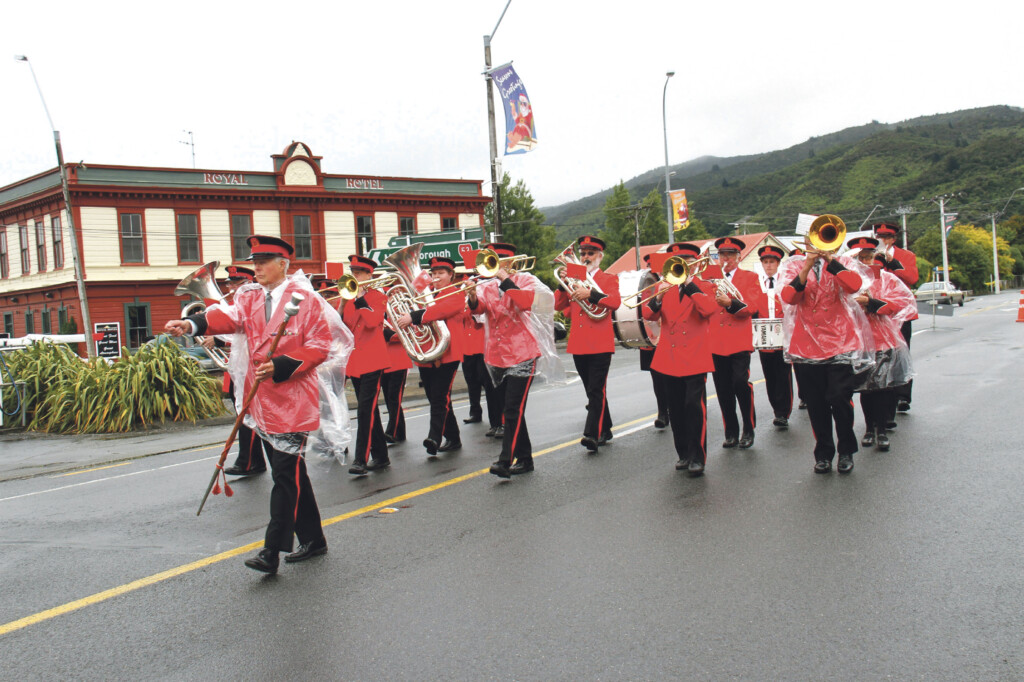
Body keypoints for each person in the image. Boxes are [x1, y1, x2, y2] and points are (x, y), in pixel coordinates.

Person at [165, 235, 346, 574]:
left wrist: (282, 364)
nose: (257, 268)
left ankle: (271, 551)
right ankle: (314, 539)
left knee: (283, 475)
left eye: (264, 262)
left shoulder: (305, 300)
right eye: (255, 262)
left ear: (284, 265)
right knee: (291, 473)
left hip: (293, 401)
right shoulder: (248, 297)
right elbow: (226, 318)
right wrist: (190, 325)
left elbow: (321, 346)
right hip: (260, 400)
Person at [780, 236, 870, 474]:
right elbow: (789, 297)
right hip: (806, 345)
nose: (817, 245)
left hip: (840, 341)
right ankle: (823, 454)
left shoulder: (843, 262)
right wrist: (807, 265)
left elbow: (854, 286)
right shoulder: (793, 264)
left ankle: (846, 451)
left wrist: (831, 260)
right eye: (812, 240)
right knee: (816, 404)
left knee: (839, 399)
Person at [466, 243, 543, 479]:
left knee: (512, 409)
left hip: (523, 353)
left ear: (510, 262)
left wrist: (504, 279)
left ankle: (505, 460)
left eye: (500, 261)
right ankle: (526, 459)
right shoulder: (487, 286)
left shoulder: (526, 280)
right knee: (513, 410)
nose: (495, 265)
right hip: (497, 355)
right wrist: (470, 296)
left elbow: (525, 302)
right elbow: (480, 310)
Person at [642, 242, 719, 476]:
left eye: (685, 262)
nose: (681, 267)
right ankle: (683, 454)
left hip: (694, 356)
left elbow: (708, 310)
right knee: (675, 409)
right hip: (668, 356)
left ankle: (698, 456)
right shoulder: (664, 286)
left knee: (694, 408)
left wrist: (689, 284)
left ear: (694, 264)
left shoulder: (705, 285)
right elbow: (648, 314)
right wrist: (660, 294)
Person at [554, 235, 621, 452]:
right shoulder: (573, 278)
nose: (585, 257)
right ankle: (606, 427)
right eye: (582, 253)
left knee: (595, 389)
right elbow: (558, 305)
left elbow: (614, 302)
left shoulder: (609, 278)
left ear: (600, 257)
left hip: (600, 343)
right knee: (592, 389)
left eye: (590, 253)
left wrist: (590, 293)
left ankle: (592, 434)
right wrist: (563, 284)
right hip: (579, 343)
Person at [848, 237, 916, 451]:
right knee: (866, 389)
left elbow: (902, 303)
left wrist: (872, 303)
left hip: (884, 339)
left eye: (869, 257)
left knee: (885, 387)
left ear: (876, 258)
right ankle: (869, 428)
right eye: (861, 257)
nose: (865, 261)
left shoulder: (887, 278)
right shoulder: (849, 282)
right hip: (860, 341)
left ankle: (882, 430)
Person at [396, 256, 466, 457]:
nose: (436, 277)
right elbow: (412, 308)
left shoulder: (456, 292)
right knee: (436, 397)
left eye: (441, 274)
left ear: (451, 275)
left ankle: (434, 437)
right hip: (427, 352)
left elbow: (443, 310)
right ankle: (453, 437)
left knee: (439, 396)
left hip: (448, 353)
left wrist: (415, 316)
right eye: (433, 274)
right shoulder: (423, 294)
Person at [203, 265, 268, 477]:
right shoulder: (231, 306)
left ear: (249, 283)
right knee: (243, 414)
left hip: (252, 370)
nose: (229, 286)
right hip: (237, 371)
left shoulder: (256, 304)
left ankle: (249, 460)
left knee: (247, 415)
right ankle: (251, 460)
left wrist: (219, 338)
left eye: (235, 283)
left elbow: (248, 334)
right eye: (229, 283)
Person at [338, 255, 391, 476]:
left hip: (374, 359)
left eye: (359, 273)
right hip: (356, 360)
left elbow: (371, 322)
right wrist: (342, 302)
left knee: (364, 410)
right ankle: (381, 456)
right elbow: (341, 326)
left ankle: (361, 458)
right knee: (369, 410)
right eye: (353, 272)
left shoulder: (379, 296)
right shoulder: (349, 298)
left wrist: (360, 298)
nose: (355, 276)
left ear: (369, 275)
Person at [706, 237, 761, 449]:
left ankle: (748, 428)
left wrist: (730, 304)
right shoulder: (709, 278)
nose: (726, 258)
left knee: (740, 383)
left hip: (738, 341)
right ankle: (731, 431)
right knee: (723, 389)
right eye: (722, 254)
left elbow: (752, 307)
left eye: (730, 254)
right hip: (716, 342)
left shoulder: (750, 277)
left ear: (739, 257)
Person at [872, 222, 919, 414]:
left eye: (885, 237)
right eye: (878, 236)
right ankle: (884, 390)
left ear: (893, 239)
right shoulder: (871, 255)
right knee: (880, 353)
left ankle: (902, 395)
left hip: (900, 312)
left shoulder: (906, 256)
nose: (881, 240)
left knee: (901, 352)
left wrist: (894, 264)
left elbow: (912, 278)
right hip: (878, 310)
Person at [752, 245, 794, 429]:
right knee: (769, 374)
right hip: (763, 335)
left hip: (782, 334)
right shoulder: (757, 282)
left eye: (772, 262)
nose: (768, 266)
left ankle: (784, 412)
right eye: (766, 262)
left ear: (778, 264)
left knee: (783, 374)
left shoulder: (785, 282)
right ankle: (776, 409)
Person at [459, 267, 504, 437]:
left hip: (483, 345)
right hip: (468, 346)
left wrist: (472, 301)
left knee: (490, 385)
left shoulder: (485, 293)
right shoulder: (462, 298)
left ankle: (498, 422)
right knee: (472, 382)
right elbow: (460, 316)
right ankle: (475, 413)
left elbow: (479, 318)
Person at [638, 253, 669, 429]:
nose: (653, 270)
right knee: (657, 378)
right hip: (651, 336)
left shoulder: (671, 282)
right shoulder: (645, 286)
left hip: (670, 337)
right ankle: (662, 412)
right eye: (650, 266)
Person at [380, 318, 410, 445]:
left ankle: (391, 431)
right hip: (383, 362)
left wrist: (390, 335)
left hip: (398, 361)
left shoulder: (398, 310)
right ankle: (400, 433)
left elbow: (409, 333)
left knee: (394, 398)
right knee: (389, 399)